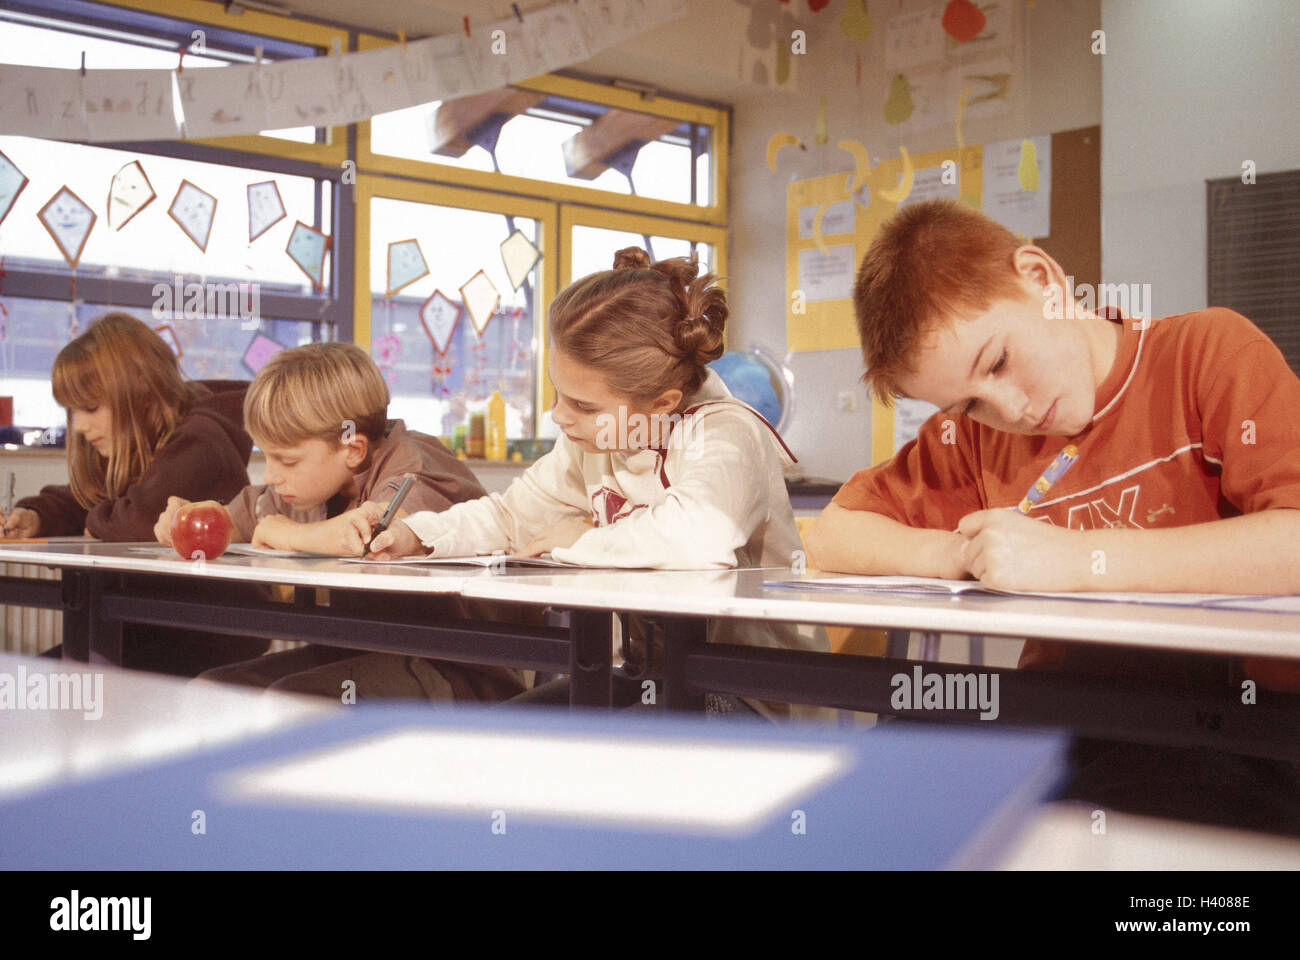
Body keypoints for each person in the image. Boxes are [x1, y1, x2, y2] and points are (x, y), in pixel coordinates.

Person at [807, 199, 1300, 831]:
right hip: (1067, 717)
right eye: (968, 404)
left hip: (1237, 725)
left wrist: (1074, 560)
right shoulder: (977, 437)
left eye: (999, 361)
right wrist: (960, 555)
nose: (1008, 409)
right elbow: (835, 531)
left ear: (1042, 279)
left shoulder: (1207, 353)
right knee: (867, 783)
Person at [368, 247, 828, 720]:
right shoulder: (594, 440)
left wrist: (582, 538)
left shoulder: (729, 434)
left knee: (590, 765)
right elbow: (511, 517)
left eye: (583, 405)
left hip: (753, 691)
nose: (558, 416)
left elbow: (698, 538)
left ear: (662, 403)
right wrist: (418, 536)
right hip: (646, 675)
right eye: (557, 394)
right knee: (504, 738)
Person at [166, 341, 522, 703]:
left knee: (294, 702)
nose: (271, 475)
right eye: (266, 456)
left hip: (461, 668)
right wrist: (185, 518)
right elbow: (240, 517)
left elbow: (374, 537)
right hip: (361, 650)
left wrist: (287, 534)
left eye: (286, 461)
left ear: (352, 450)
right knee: (212, 692)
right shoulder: (308, 485)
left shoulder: (416, 466)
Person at [0, 311, 267, 675]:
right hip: (142, 621)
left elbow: (137, 519)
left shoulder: (199, 439)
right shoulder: (145, 441)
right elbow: (93, 502)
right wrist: (38, 514)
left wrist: (97, 519)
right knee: (29, 686)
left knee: (37, 688)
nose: (80, 426)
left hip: (209, 631)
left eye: (91, 408)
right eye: (73, 411)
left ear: (140, 386)